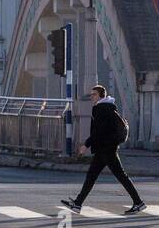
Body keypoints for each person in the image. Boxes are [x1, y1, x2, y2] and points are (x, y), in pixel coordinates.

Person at [61, 85, 147, 215]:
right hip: (104, 149)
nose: (91, 97)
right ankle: (78, 204)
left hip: (107, 149)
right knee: (92, 176)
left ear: (101, 96)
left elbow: (98, 132)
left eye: (94, 94)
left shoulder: (101, 109)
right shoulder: (106, 108)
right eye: (91, 94)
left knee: (121, 176)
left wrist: (86, 145)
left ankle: (138, 202)